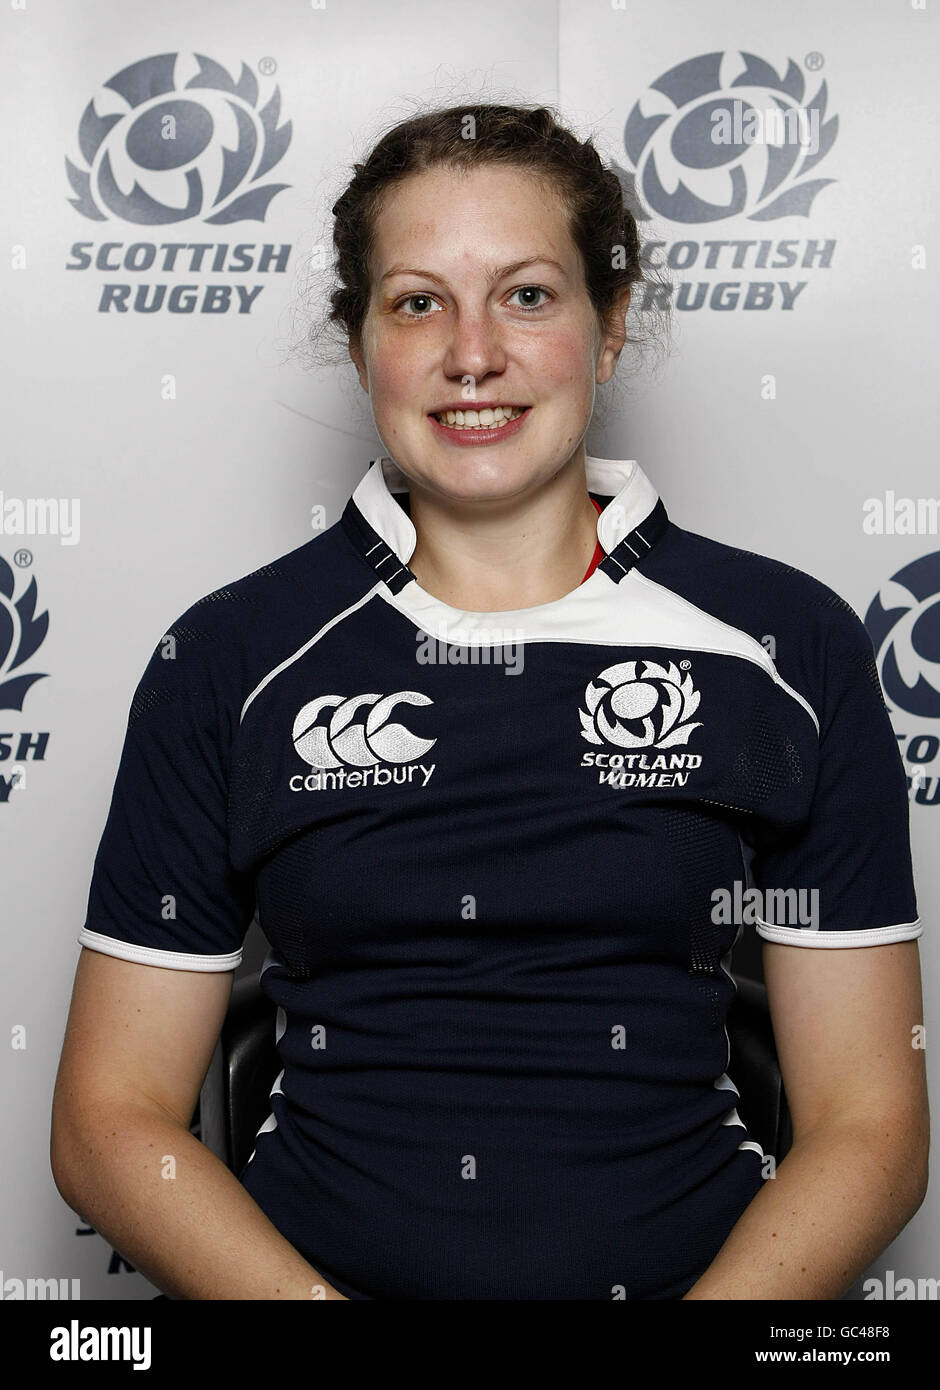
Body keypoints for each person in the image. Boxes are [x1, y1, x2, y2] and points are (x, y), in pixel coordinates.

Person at [51, 102, 928, 1301]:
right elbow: (109, 1121)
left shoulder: (788, 644)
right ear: (360, 342)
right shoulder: (226, 657)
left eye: (526, 294)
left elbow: (869, 1127)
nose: (473, 352)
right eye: (418, 302)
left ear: (609, 327)